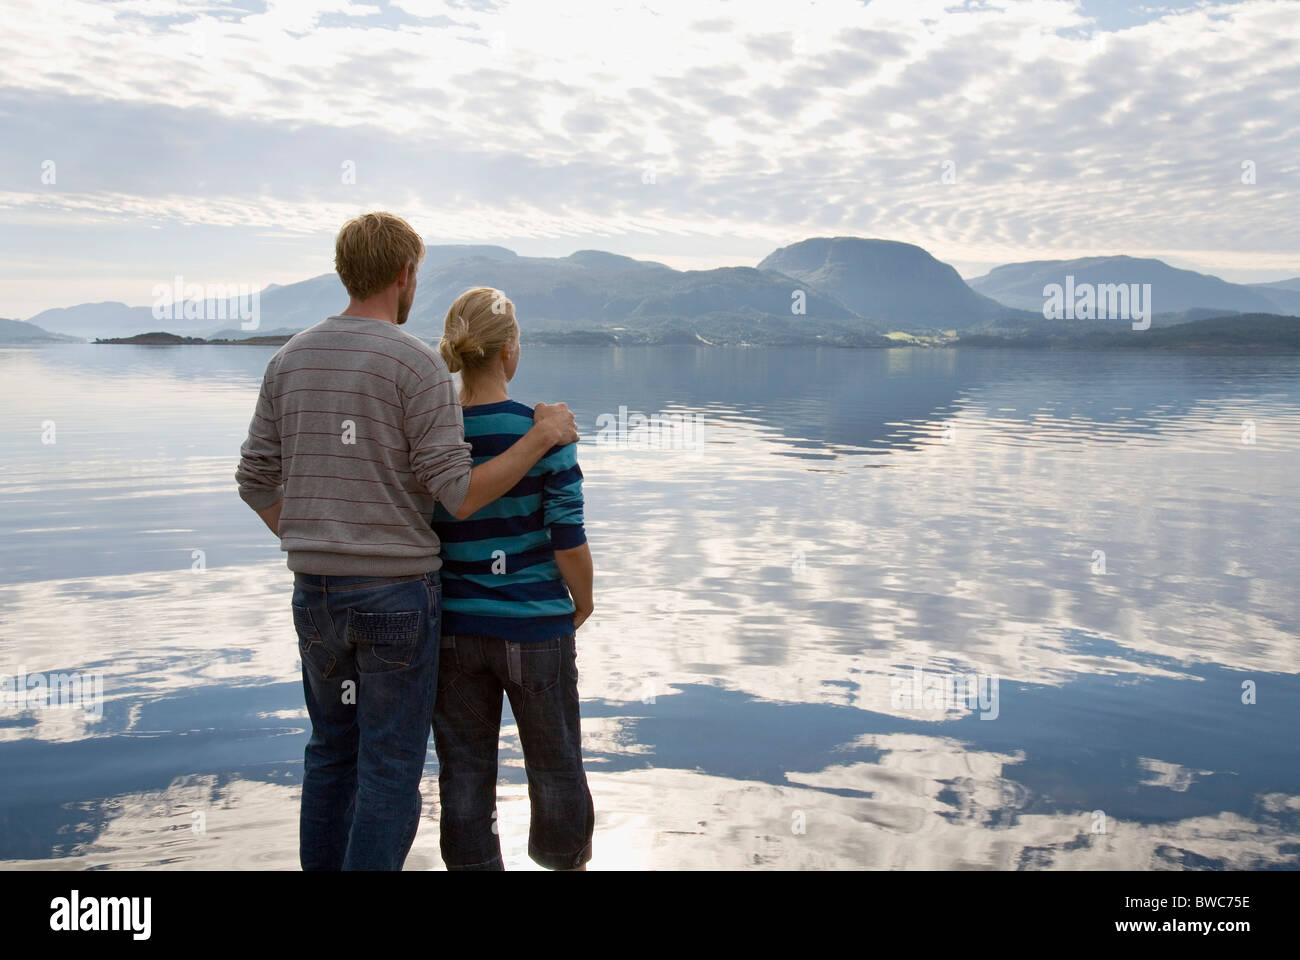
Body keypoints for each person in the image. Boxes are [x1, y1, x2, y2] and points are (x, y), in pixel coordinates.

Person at [234, 213, 578, 871]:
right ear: (405, 274)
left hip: (316, 597)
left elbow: (255, 481)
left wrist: (315, 541)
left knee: (330, 752)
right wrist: (538, 438)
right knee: (391, 763)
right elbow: (459, 492)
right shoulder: (415, 363)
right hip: (396, 596)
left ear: (346, 271)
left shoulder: (289, 359)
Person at [431, 287, 595, 871]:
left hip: (453, 630)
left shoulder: (432, 435)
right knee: (556, 766)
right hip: (535, 628)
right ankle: (563, 861)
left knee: (465, 774)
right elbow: (566, 535)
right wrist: (584, 599)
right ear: (509, 354)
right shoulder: (545, 431)